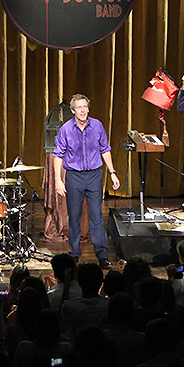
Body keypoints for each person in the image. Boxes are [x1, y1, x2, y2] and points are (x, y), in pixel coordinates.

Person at [53, 94, 120, 269]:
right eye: (79, 108)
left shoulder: (97, 126)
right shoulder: (66, 129)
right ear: (73, 111)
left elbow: (105, 149)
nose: (82, 110)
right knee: (74, 217)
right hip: (74, 177)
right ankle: (74, 254)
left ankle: (102, 255)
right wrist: (58, 180)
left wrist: (112, 173)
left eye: (85, 107)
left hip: (94, 176)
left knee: (97, 217)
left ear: (88, 109)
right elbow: (58, 155)